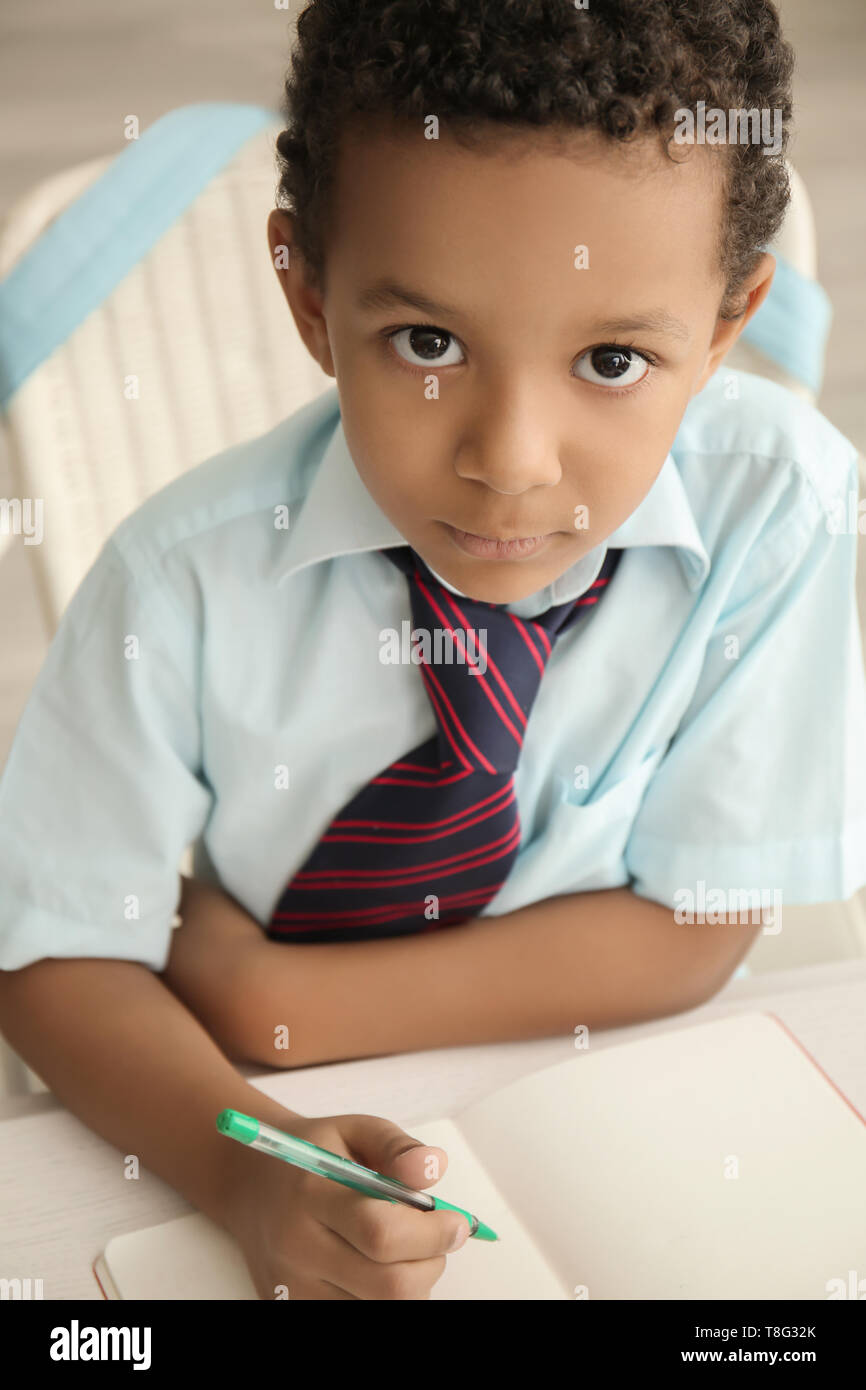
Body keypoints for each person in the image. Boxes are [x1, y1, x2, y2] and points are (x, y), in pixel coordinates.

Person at [1, 0, 865, 1301]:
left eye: (613, 358)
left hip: (593, 1089)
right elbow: (50, 951)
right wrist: (244, 1162)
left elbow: (702, 920)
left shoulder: (781, 503)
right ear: (305, 289)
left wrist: (260, 999)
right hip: (250, 1116)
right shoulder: (179, 575)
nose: (509, 461)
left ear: (731, 315)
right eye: (427, 343)